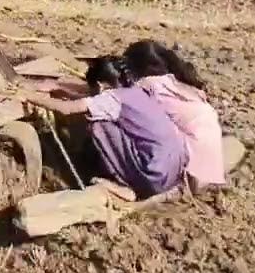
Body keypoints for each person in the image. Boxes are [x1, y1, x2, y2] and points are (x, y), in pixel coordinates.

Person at [17, 55, 188, 200]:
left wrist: (29, 96)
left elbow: (67, 109)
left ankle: (129, 187)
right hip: (172, 170)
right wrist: (60, 89)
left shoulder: (111, 98)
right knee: (98, 113)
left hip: (152, 176)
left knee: (98, 123)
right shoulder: (135, 91)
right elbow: (91, 101)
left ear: (100, 85)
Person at [122, 40, 226, 191]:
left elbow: (121, 105)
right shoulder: (180, 84)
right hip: (211, 172)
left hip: (187, 172)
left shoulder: (149, 85)